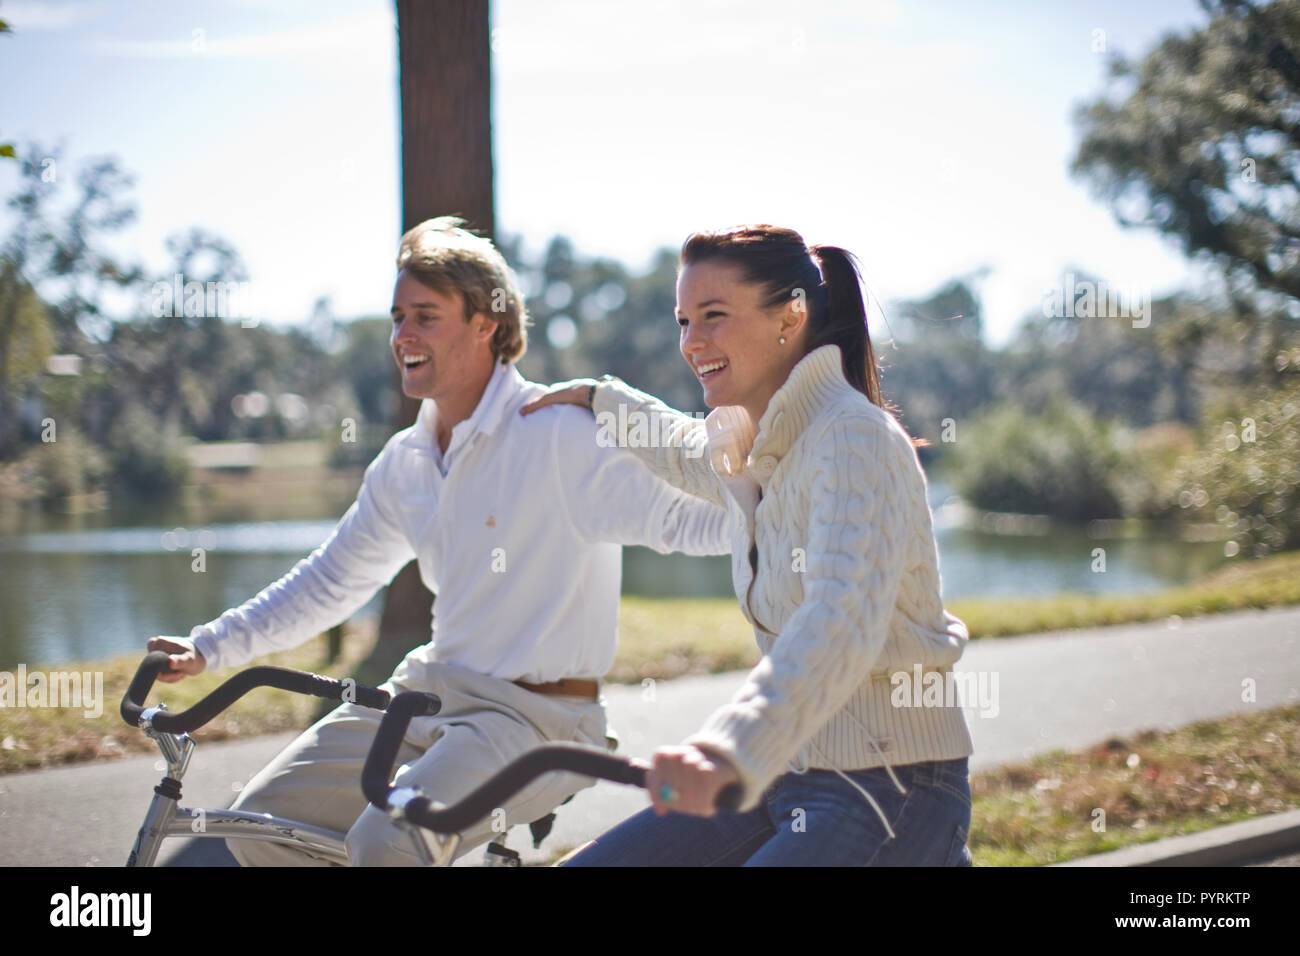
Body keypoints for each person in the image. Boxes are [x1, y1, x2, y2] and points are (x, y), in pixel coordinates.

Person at [146, 216, 732, 866]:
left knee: (390, 838)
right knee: (253, 825)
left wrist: (790, 507)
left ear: (487, 323)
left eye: (426, 315)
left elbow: (688, 518)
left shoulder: (557, 435)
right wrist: (209, 646)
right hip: (425, 694)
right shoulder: (407, 460)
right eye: (398, 317)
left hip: (539, 724)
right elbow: (328, 581)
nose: (402, 336)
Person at [521, 224, 976, 866]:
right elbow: (682, 450)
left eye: (713, 316)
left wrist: (721, 752)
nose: (691, 342)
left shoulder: (854, 440)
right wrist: (602, 399)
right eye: (683, 321)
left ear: (790, 316)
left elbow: (839, 621)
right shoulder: (762, 447)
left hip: (892, 785)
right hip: (783, 774)